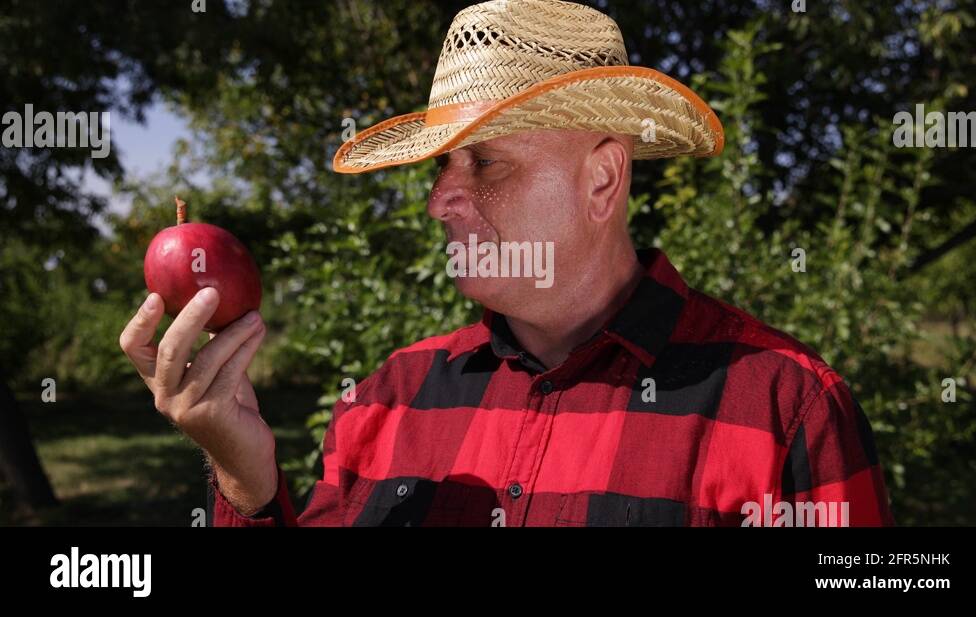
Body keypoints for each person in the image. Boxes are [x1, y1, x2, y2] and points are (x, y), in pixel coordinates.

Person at [119, 0, 893, 526]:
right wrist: (247, 483)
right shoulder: (385, 402)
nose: (439, 202)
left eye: (485, 165)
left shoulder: (786, 410)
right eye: (441, 168)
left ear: (601, 178)